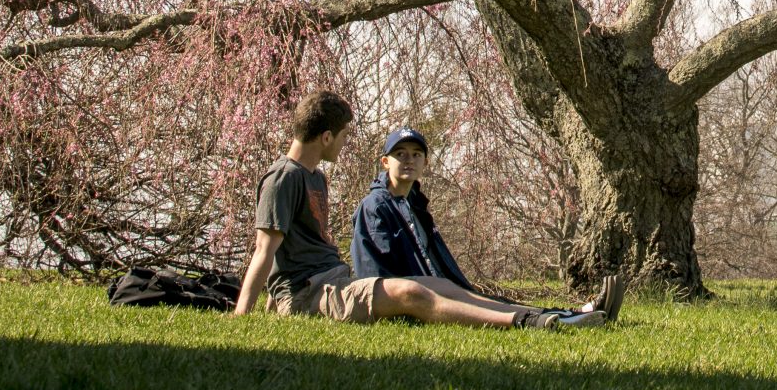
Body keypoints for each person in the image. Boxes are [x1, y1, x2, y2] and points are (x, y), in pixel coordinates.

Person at [231, 91, 612, 329]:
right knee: (411, 291)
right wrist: (242, 316)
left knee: (442, 285)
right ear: (327, 136)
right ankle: (530, 322)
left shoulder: (314, 177)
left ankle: (551, 314)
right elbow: (265, 250)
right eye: (344, 136)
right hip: (310, 294)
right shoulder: (283, 178)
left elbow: (297, 248)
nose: (345, 144)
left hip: (334, 280)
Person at [355, 125, 625, 325]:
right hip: (419, 298)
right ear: (385, 161)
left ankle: (577, 313)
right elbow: (375, 272)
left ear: (425, 162)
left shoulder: (414, 203)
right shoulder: (376, 206)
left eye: (416, 154)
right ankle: (564, 318)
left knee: (494, 302)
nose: (409, 160)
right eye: (400, 154)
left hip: (441, 287)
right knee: (490, 307)